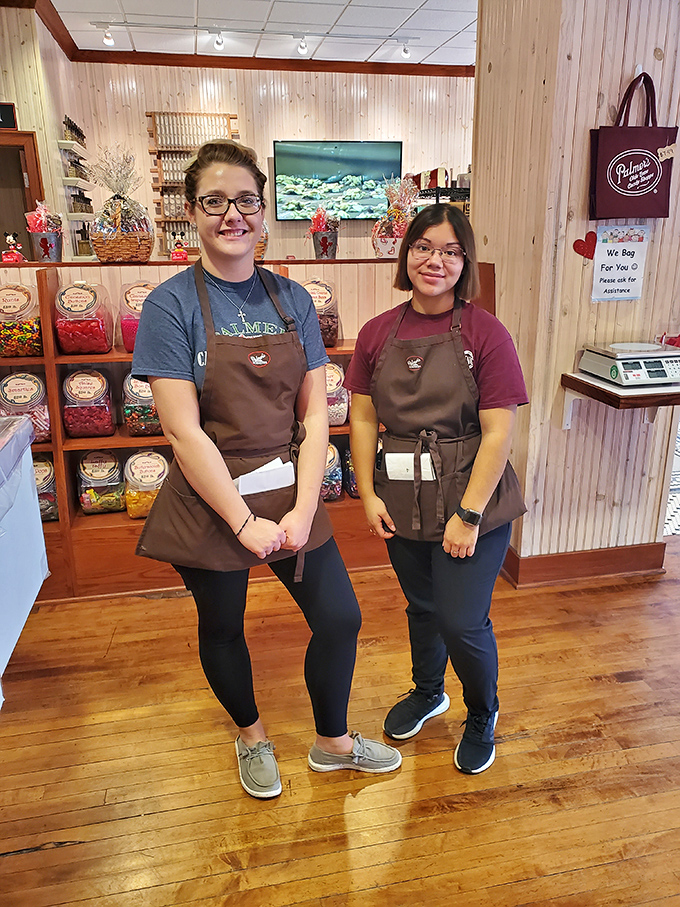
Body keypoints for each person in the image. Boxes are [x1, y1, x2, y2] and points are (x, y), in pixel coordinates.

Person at [131, 139, 400, 799]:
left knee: (339, 617)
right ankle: (251, 735)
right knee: (223, 626)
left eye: (246, 200)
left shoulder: (292, 299)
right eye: (214, 202)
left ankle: (333, 742)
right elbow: (182, 431)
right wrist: (242, 519)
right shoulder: (172, 306)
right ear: (192, 212)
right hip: (211, 494)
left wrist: (305, 508)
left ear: (264, 210)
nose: (233, 215)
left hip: (288, 482)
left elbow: (316, 417)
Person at [345, 204, 528, 774]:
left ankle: (482, 714)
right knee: (422, 607)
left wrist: (469, 515)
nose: (436, 260)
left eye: (450, 251)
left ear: (464, 261)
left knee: (462, 619)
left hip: (470, 494)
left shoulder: (485, 332)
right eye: (425, 246)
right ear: (406, 253)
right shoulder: (378, 332)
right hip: (401, 494)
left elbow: (499, 431)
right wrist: (368, 493)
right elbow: (364, 419)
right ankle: (430, 691)